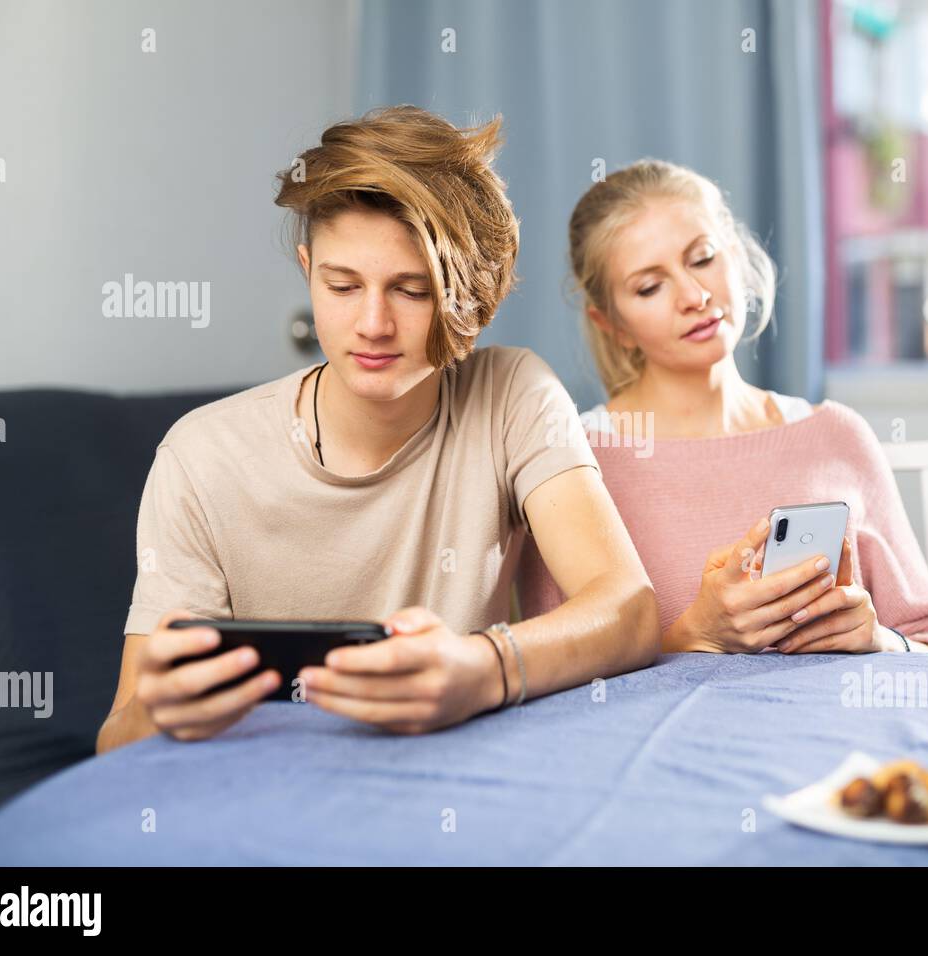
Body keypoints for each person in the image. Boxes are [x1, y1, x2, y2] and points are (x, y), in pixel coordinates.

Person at [97, 106, 659, 753]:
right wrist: (158, 715)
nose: (372, 324)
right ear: (308, 270)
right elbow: (118, 739)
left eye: (412, 290)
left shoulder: (511, 393)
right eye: (342, 285)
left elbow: (628, 607)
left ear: (471, 297)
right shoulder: (198, 456)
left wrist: (482, 669)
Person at [518, 159, 928, 655]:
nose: (694, 295)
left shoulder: (836, 434)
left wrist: (880, 641)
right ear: (611, 323)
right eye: (650, 286)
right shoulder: (569, 465)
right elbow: (560, 680)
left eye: (703, 257)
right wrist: (694, 639)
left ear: (734, 254)